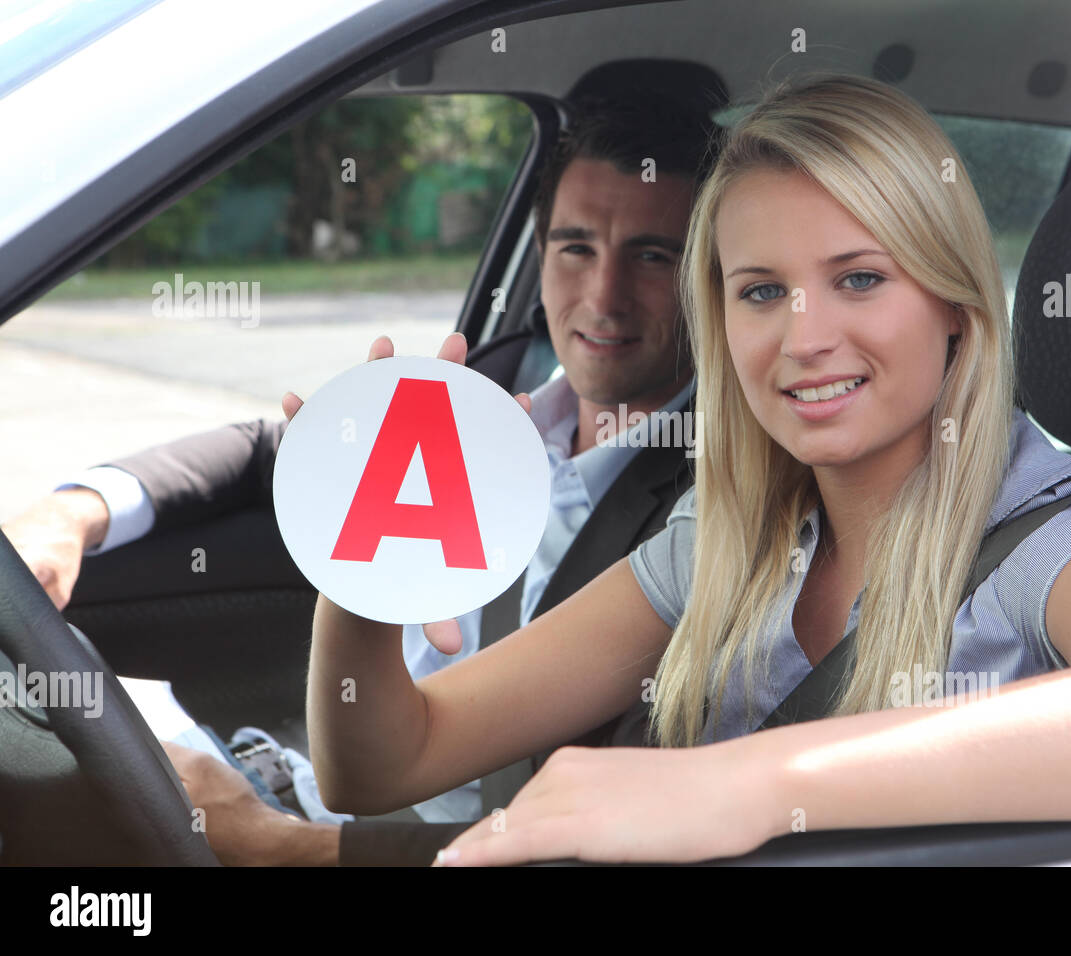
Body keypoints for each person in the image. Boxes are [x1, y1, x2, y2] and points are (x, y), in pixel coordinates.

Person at [298, 72, 1071, 867]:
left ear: (952, 302)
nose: (803, 335)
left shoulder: (1047, 538)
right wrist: (362, 573)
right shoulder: (728, 541)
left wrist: (749, 781)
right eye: (761, 290)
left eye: (858, 278)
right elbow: (388, 759)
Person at [2, 97, 717, 855]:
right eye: (576, 248)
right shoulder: (498, 389)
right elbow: (264, 450)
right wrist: (74, 512)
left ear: (707, 274)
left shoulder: (709, 513)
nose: (602, 298)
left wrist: (273, 842)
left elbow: (578, 838)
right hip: (297, 784)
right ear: (539, 250)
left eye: (652, 255)